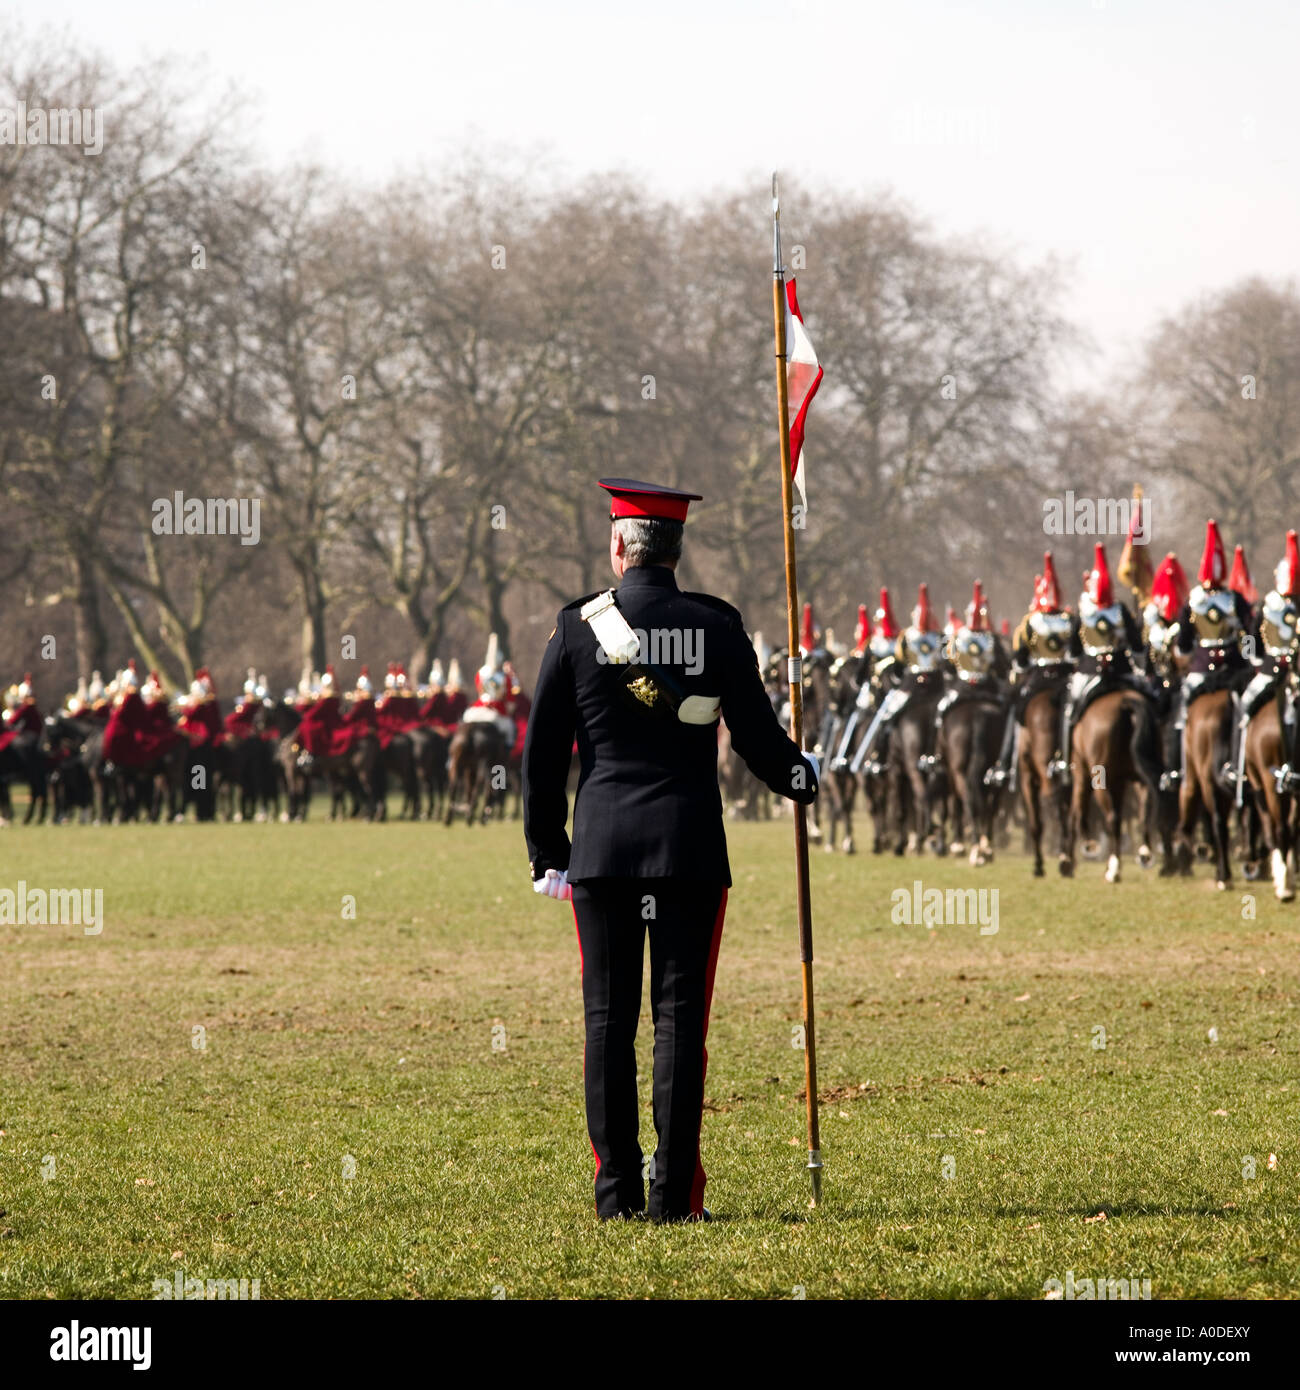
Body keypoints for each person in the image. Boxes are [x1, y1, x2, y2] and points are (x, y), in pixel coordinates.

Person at [522, 476, 818, 1225]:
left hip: (601, 853)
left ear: (620, 546)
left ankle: (615, 1195)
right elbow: (754, 737)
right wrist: (798, 774)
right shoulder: (715, 626)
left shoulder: (577, 627)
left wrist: (547, 849)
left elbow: (541, 752)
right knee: (681, 1026)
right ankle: (674, 1200)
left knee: (607, 1025)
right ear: (676, 549)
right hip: (688, 848)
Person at [987, 552, 1074, 787]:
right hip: (1069, 678)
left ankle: (1005, 764)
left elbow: (1020, 660)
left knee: (1015, 715)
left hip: (1038, 679)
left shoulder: (1030, 622)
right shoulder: (1071, 619)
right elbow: (1076, 653)